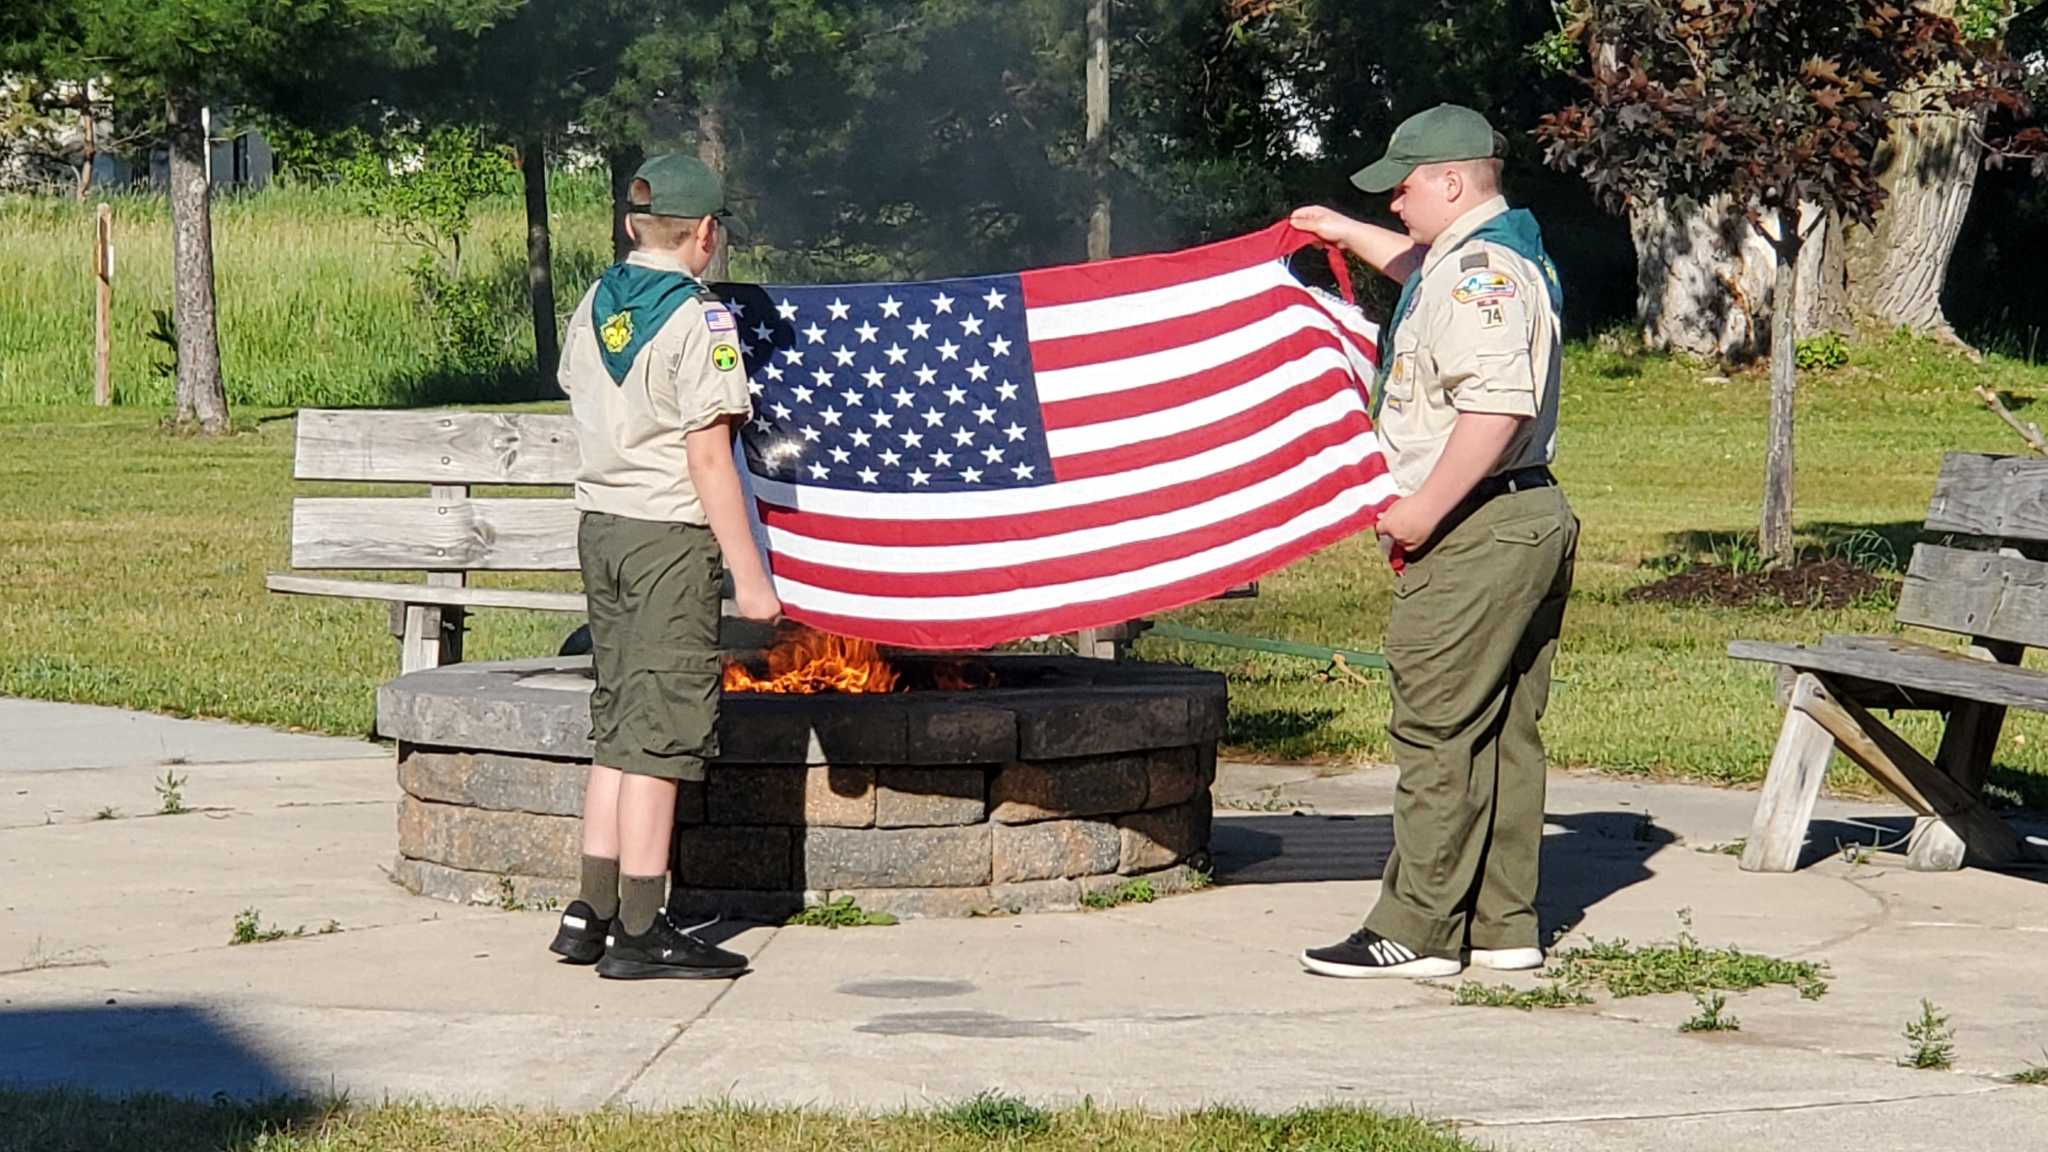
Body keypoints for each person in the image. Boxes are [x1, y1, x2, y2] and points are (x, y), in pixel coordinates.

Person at [1290, 104, 1578, 979]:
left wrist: (1420, 512)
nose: (1397, 205)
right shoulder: (1489, 255)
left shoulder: (1479, 275)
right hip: (1523, 514)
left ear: (1452, 182)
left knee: (1437, 727)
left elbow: (1495, 408)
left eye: (1404, 188)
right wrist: (1337, 230)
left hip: (1476, 522)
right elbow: (1416, 265)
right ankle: (1501, 925)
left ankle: (1413, 930)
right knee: (1500, 732)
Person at [547, 153, 783, 980]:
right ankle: (644, 929)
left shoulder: (594, 301)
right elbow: (710, 458)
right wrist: (751, 579)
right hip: (666, 541)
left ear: (629, 226)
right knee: (662, 738)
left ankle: (591, 910)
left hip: (601, 528)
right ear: (708, 235)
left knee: (618, 720)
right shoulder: (699, 320)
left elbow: (578, 389)